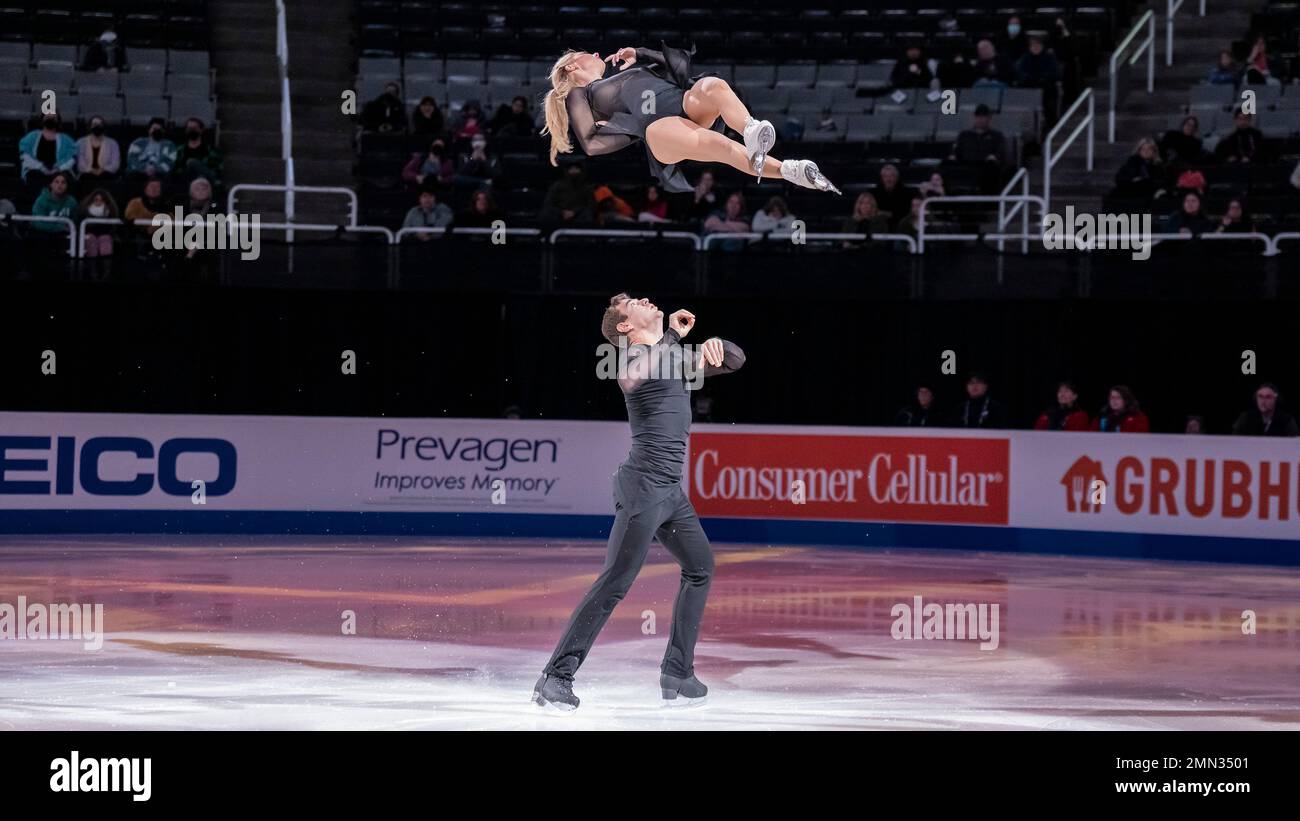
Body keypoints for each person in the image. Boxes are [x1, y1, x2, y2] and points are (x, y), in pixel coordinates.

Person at [533, 294, 745, 711]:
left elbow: (737, 360)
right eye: (635, 302)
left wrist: (717, 345)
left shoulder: (673, 357)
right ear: (626, 327)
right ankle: (556, 676)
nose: (647, 299)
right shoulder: (630, 359)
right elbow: (632, 380)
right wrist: (672, 336)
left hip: (670, 491)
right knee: (615, 581)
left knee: (700, 567)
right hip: (642, 487)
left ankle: (677, 671)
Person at [541, 43, 840, 195]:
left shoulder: (622, 73)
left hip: (682, 103)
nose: (594, 52)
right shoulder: (581, 94)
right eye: (584, 53)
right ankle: (790, 170)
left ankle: (750, 129)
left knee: (713, 85)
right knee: (720, 145)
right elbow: (591, 144)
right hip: (659, 129)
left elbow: (675, 67)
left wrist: (641, 52)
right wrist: (636, 129)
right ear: (570, 67)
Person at [948, 104, 1007, 194]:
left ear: (989, 118)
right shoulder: (964, 135)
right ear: (974, 117)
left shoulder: (997, 136)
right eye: (978, 116)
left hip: (986, 173)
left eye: (983, 116)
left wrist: (994, 158)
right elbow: (955, 152)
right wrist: (953, 156)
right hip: (965, 171)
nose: (980, 119)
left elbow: (1001, 153)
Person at [19, 114, 77, 197]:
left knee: (63, 179)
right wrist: (41, 167)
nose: (50, 119)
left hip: (60, 169)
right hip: (36, 169)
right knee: (34, 179)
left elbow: (72, 159)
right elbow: (25, 155)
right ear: (42, 120)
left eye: (53, 118)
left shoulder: (66, 139)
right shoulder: (31, 136)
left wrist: (58, 168)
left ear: (58, 121)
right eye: (48, 117)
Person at [77, 188, 120, 278]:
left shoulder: (110, 211)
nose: (99, 202)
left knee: (105, 240)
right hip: (89, 234)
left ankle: (106, 272)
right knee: (90, 240)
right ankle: (92, 271)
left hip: (105, 234)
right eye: (96, 199)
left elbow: (113, 228)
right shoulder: (85, 210)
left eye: (101, 200)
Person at [540, 159, 596, 226]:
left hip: (579, 214)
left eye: (576, 168)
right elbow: (548, 203)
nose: (574, 171)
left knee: (587, 214)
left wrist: (574, 212)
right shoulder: (557, 186)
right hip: (559, 214)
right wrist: (562, 212)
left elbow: (591, 205)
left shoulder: (586, 187)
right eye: (571, 169)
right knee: (546, 213)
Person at [75, 115, 121, 195]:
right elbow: (80, 164)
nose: (97, 126)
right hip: (87, 174)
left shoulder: (113, 143)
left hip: (106, 173)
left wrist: (103, 169)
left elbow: (115, 163)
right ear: (90, 126)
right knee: (87, 178)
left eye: (100, 124)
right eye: (95, 124)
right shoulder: (81, 142)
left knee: (107, 177)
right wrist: (91, 170)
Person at [1231, 383, 1299, 436]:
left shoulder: (1287, 420)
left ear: (1276, 400)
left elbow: (1295, 442)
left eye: (1268, 397)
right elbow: (1234, 440)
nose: (1263, 401)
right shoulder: (1245, 418)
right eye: (1260, 396)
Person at [173, 118, 223, 188]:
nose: (192, 130)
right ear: (186, 130)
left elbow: (217, 170)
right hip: (185, 182)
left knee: (193, 163)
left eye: (195, 128)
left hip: (206, 183)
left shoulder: (212, 150)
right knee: (191, 164)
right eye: (189, 128)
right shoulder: (179, 150)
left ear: (201, 130)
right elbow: (175, 170)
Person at [872, 163, 913, 229]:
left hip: (899, 225)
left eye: (892, 176)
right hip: (878, 225)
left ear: (897, 177)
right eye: (885, 176)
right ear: (882, 178)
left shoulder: (906, 193)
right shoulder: (874, 193)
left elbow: (906, 212)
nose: (889, 179)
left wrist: (888, 214)